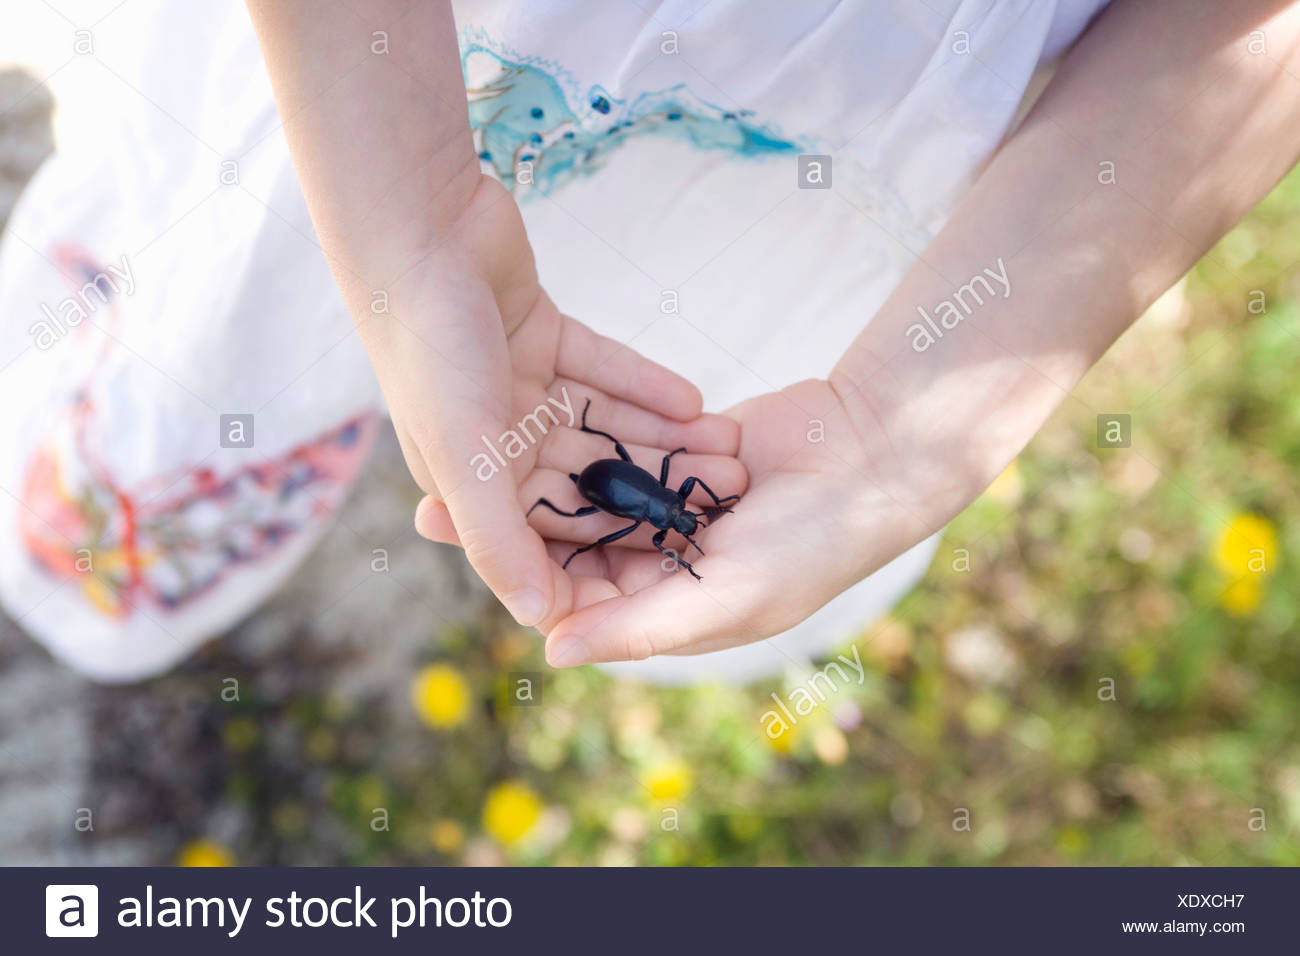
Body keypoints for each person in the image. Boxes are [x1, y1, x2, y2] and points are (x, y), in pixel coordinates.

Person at [1, 0, 1297, 684]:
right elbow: (637, 500)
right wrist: (416, 235)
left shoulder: (667, 499)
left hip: (818, 180)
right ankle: (155, 474)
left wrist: (906, 428)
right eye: (676, 532)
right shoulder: (659, 504)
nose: (672, 527)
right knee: (245, 296)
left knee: (514, 409)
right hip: (377, 80)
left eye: (671, 532)